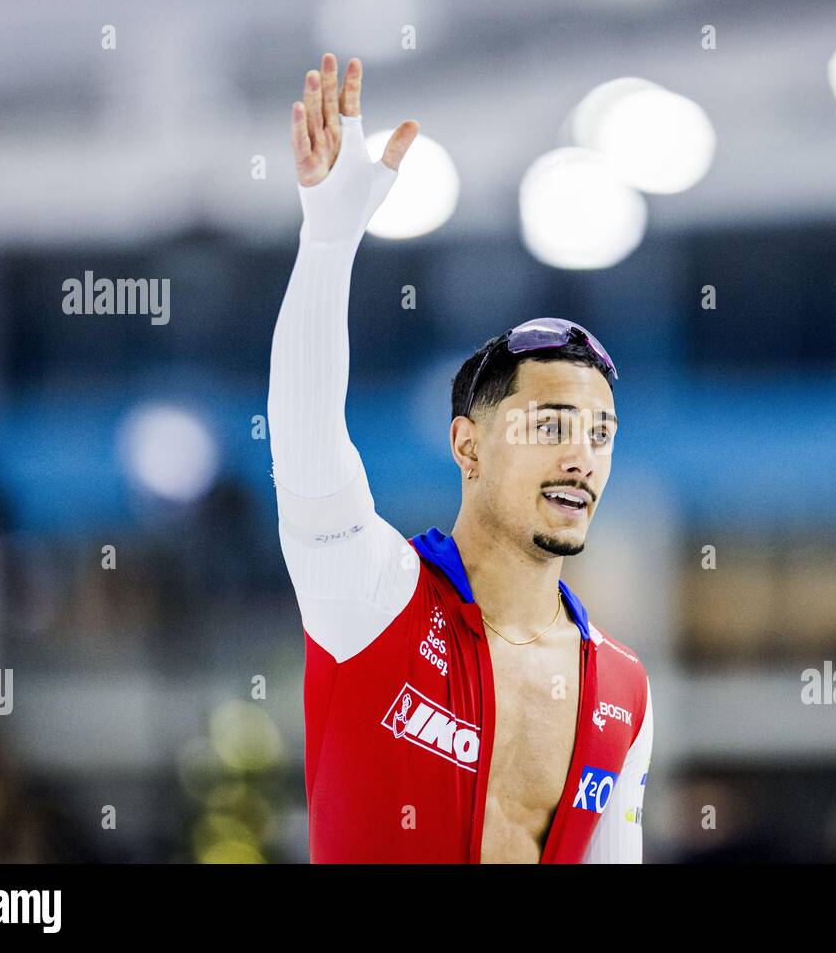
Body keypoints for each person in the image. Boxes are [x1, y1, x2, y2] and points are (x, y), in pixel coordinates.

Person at [268, 53, 652, 863]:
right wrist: (329, 238)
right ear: (466, 446)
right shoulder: (371, 595)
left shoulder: (623, 689)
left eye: (601, 432)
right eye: (550, 424)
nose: (581, 455)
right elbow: (303, 440)